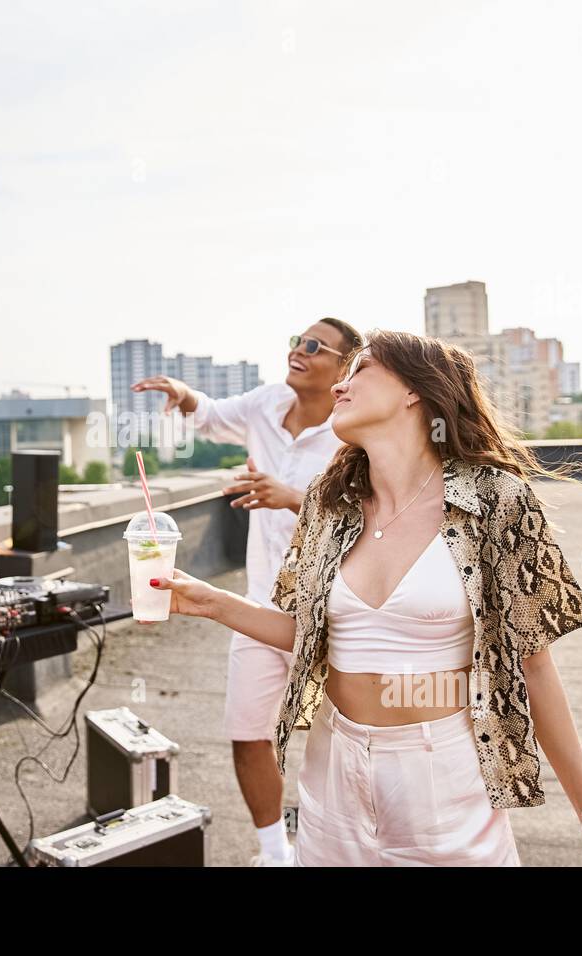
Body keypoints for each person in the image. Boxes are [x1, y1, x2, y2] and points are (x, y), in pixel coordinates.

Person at [145, 329, 582, 866]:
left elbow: (535, 669)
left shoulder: (496, 501)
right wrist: (207, 601)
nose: (340, 386)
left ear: (414, 390)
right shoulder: (329, 499)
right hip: (331, 772)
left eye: (358, 370)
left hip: (441, 777)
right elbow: (314, 635)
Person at [131, 317, 361, 866]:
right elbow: (210, 416)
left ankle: (337, 849)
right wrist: (183, 394)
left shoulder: (355, 428)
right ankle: (274, 853)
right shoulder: (265, 402)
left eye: (314, 346)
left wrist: (291, 496)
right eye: (296, 341)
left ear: (343, 369)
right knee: (247, 732)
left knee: (345, 743)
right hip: (259, 606)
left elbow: (373, 517)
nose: (298, 351)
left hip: (338, 612)